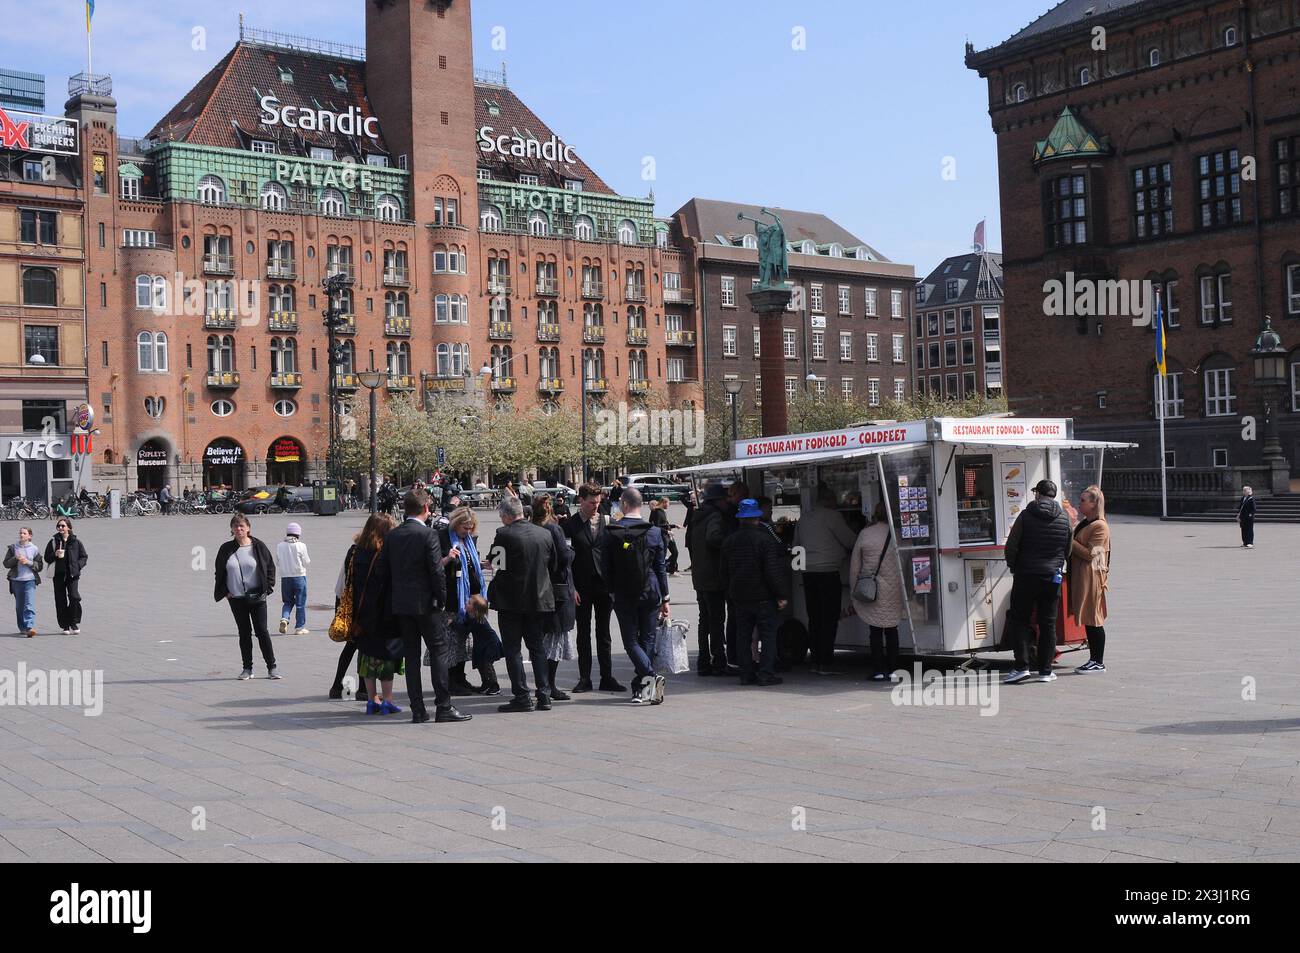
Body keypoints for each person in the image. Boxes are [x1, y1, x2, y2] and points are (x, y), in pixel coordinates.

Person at [375, 489, 471, 724]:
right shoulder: (428, 535)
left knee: (411, 656)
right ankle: (443, 705)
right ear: (426, 509)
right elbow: (436, 572)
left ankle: (418, 709)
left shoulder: (393, 536)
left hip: (402, 605)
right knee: (438, 651)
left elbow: (382, 572)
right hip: (427, 604)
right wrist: (441, 598)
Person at [487, 495, 559, 713]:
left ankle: (522, 696)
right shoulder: (544, 533)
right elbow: (553, 564)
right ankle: (544, 695)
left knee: (513, 650)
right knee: (537, 648)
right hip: (538, 599)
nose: (501, 520)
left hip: (511, 602)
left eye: (501, 515)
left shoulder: (504, 534)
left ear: (508, 515)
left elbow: (497, 564)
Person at [602, 487, 671, 704]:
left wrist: (611, 590)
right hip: (650, 590)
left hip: (624, 592)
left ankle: (649, 677)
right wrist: (666, 598)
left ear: (623, 503)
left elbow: (606, 566)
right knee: (647, 640)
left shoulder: (613, 530)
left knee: (631, 642)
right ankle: (646, 690)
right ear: (641, 504)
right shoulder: (654, 531)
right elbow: (661, 567)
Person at [1002, 479, 1071, 685]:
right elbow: (1068, 548)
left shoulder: (1026, 515)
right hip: (1052, 578)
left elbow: (1011, 547)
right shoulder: (1065, 518)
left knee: (1020, 619)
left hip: (1026, 575)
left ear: (1038, 494)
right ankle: (1045, 670)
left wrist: (1015, 567)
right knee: (1048, 623)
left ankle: (1021, 667)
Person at [340, 513, 407, 715]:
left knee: (367, 656)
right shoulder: (386, 554)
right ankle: (387, 700)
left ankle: (372, 700)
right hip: (385, 613)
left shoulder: (355, 552)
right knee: (386, 657)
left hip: (362, 614)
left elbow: (348, 580)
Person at [563, 483, 624, 694]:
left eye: (598, 502)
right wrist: (572, 588)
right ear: (580, 500)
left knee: (604, 633)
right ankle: (584, 678)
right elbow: (565, 560)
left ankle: (607, 677)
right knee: (584, 633)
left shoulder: (608, 520)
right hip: (581, 587)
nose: (595, 507)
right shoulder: (569, 525)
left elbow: (619, 548)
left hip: (604, 586)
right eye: (591, 503)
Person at [720, 499, 789, 686]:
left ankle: (746, 674)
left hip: (739, 596)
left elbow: (723, 572)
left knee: (743, 636)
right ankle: (766, 673)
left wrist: (730, 591)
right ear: (757, 518)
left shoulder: (730, 541)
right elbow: (772, 571)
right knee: (768, 635)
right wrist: (781, 594)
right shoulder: (765, 540)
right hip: (764, 596)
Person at [794, 484, 858, 676]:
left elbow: (796, 546)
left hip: (808, 573)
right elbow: (850, 540)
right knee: (829, 618)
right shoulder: (833, 516)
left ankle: (815, 660)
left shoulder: (804, 518)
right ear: (830, 501)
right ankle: (826, 662)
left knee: (814, 618)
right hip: (828, 572)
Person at [439, 507, 501, 697]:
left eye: (470, 528)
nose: (467, 531)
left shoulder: (469, 540)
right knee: (453, 641)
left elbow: (469, 562)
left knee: (466, 642)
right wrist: (448, 558)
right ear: (456, 524)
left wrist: (482, 564)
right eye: (465, 528)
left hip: (472, 599)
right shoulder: (442, 537)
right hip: (453, 598)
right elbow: (434, 565)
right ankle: (452, 680)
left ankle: (460, 678)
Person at [213, 514, 279, 680]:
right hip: (236, 598)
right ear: (232, 530)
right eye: (235, 526)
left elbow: (270, 566)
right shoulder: (226, 549)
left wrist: (268, 588)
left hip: (257, 597)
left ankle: (272, 667)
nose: (239, 529)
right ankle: (247, 668)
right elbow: (219, 571)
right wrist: (225, 592)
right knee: (244, 632)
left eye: (242, 526)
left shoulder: (258, 546)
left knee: (262, 631)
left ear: (248, 528)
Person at [849, 501, 906, 681]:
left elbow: (854, 566)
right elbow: (904, 560)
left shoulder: (865, 534)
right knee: (892, 629)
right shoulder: (897, 534)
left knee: (875, 630)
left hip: (871, 588)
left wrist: (853, 588)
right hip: (894, 587)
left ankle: (879, 670)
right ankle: (894, 669)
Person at [532, 494, 577, 701]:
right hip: (557, 590)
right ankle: (549, 684)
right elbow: (565, 557)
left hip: (537, 588)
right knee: (554, 640)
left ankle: (544, 683)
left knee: (540, 640)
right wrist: (571, 550)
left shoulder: (531, 527)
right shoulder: (553, 528)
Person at [685, 482, 732, 677]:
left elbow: (689, 544)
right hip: (713, 576)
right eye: (725, 499)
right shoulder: (715, 517)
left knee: (704, 621)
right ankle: (719, 661)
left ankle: (703, 662)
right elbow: (714, 539)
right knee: (716, 620)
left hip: (700, 576)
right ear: (718, 501)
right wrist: (729, 543)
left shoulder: (697, 517)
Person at [1069, 485, 1111, 674]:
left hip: (1092, 577)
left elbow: (1091, 554)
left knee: (1094, 618)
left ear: (1094, 504)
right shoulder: (1086, 522)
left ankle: (1098, 661)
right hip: (1081, 575)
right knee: (1088, 618)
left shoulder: (1100, 526)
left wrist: (1069, 538)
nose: (1080, 503)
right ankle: (1093, 659)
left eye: (1084, 500)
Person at [44, 518, 88, 636]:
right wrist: (55, 554)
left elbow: (84, 557)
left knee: (74, 597)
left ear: (69, 527)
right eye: (58, 526)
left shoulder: (76, 542)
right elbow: (47, 558)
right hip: (58, 575)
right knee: (60, 600)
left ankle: (73, 621)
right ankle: (65, 625)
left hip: (72, 575)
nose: (60, 528)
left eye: (63, 526)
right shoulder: (53, 541)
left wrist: (78, 566)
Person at [5, 527, 43, 638]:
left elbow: (39, 566)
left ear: (29, 536)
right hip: (16, 580)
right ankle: (22, 627)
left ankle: (29, 627)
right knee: (19, 606)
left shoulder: (34, 548)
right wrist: (15, 559)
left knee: (29, 604)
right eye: (20, 533)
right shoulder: (13, 548)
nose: (22, 535)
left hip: (30, 580)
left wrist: (29, 562)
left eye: (24, 533)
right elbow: (6, 564)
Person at [276, 522, 311, 635]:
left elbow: (278, 562)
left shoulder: (280, 545)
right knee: (300, 603)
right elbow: (306, 562)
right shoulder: (301, 545)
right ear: (298, 534)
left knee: (287, 602)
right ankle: (299, 627)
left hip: (285, 578)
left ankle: (284, 618)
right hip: (299, 577)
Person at [649, 501, 679, 574]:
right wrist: (667, 531)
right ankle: (661, 571)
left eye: (650, 505)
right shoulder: (656, 513)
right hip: (663, 536)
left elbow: (665, 524)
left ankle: (671, 570)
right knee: (662, 554)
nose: (650, 507)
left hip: (668, 535)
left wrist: (673, 526)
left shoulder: (662, 512)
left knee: (675, 552)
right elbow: (657, 526)